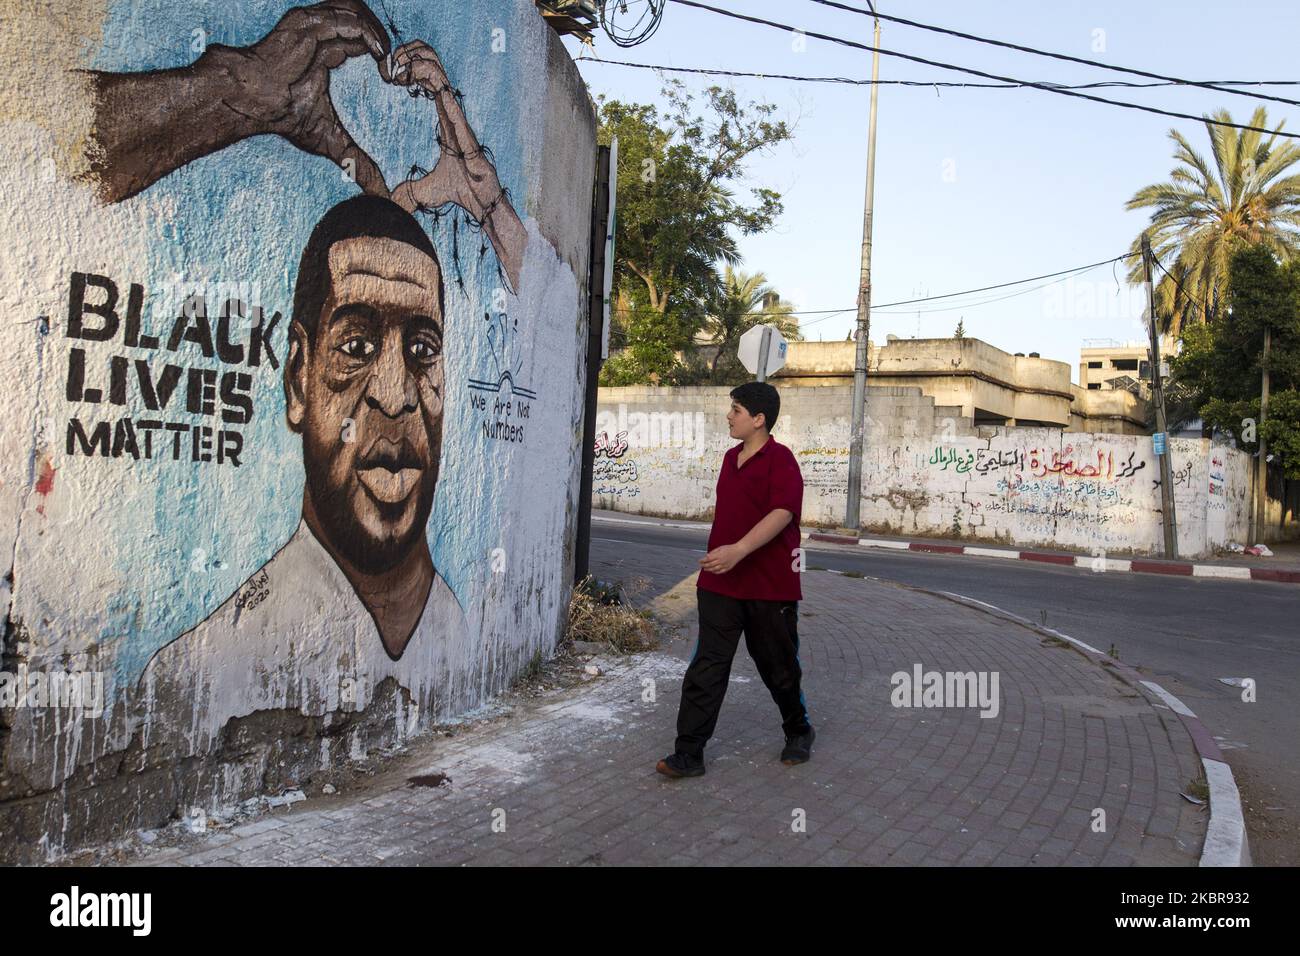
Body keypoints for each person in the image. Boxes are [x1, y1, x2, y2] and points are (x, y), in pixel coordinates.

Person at [656, 381, 814, 778]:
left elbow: (782, 514)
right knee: (706, 667)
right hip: (719, 584)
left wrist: (739, 551)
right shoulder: (730, 458)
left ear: (758, 420)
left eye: (737, 410)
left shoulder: (782, 460)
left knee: (777, 666)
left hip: (769, 585)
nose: (729, 415)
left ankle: (798, 729)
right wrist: (720, 556)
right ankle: (689, 753)